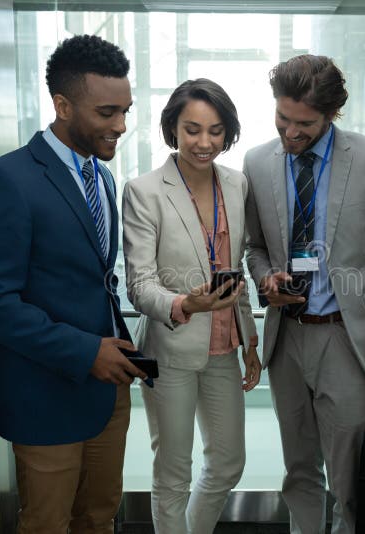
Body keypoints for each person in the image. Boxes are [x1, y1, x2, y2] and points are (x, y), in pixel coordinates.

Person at [0, 35, 146, 534]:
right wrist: (86, 351)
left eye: (126, 111)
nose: (121, 126)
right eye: (107, 112)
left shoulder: (101, 177)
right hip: (46, 394)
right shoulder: (6, 180)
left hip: (108, 392)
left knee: (100, 518)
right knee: (47, 525)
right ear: (62, 106)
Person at [244, 54, 365, 533]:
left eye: (305, 123)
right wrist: (264, 279)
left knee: (349, 478)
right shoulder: (257, 162)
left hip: (348, 340)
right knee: (299, 469)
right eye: (282, 118)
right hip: (288, 340)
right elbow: (255, 248)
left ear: (332, 115)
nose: (290, 132)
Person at [122, 78, 261, 534]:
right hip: (173, 348)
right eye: (193, 129)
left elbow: (235, 266)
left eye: (216, 130)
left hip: (224, 348)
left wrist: (251, 344)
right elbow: (139, 286)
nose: (205, 142)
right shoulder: (145, 191)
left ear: (228, 132)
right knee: (173, 473)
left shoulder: (237, 184)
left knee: (227, 462)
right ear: (173, 129)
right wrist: (186, 302)